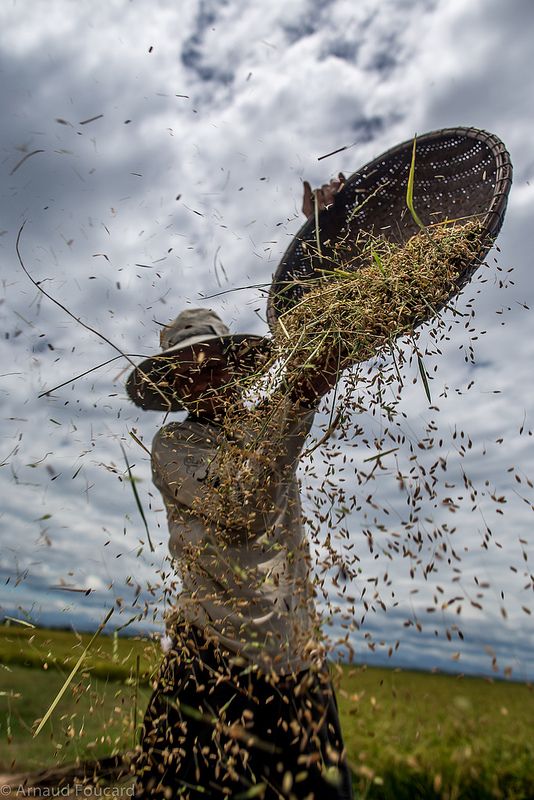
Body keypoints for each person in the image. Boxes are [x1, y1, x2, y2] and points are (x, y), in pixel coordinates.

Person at [127, 177, 354, 799]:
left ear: (234, 366)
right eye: (188, 373)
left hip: (296, 663)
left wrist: (327, 239)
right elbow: (242, 509)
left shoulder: (266, 421)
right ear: (174, 389)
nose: (205, 379)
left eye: (214, 364)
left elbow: (321, 339)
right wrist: (302, 392)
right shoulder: (174, 449)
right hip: (211, 661)